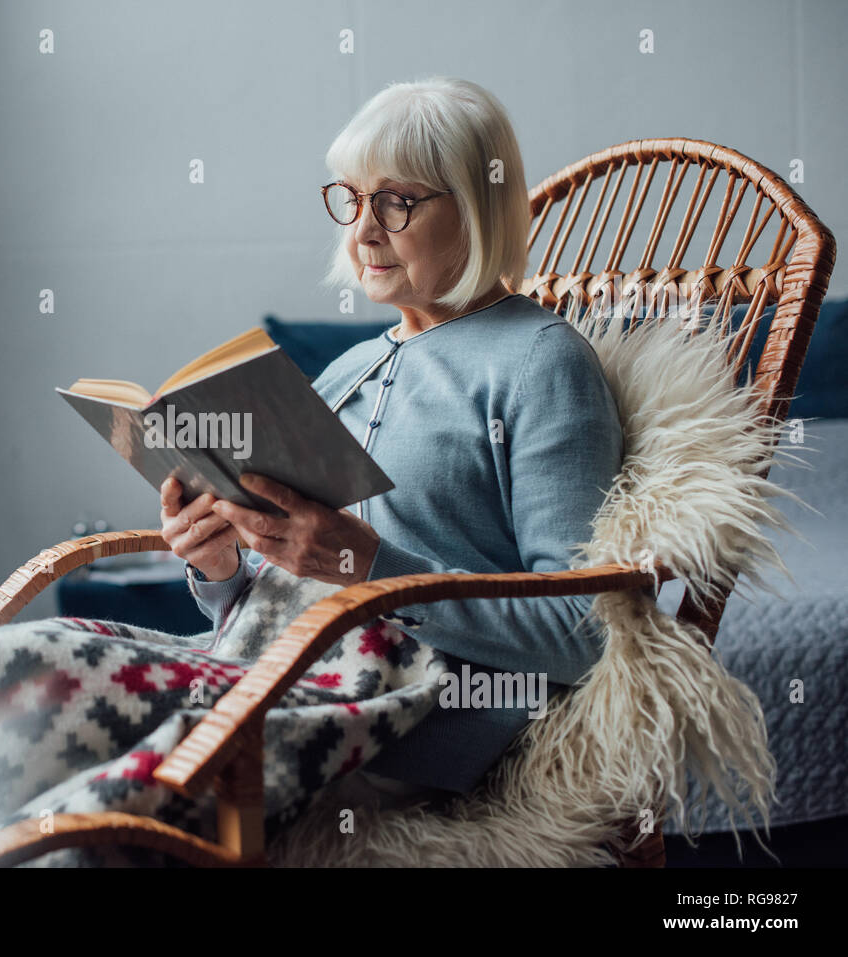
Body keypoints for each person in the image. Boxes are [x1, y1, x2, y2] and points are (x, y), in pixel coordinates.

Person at [162, 76, 623, 807]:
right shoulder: (348, 369)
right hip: (270, 674)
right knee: (6, 673)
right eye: (351, 198)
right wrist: (220, 568)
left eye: (397, 202)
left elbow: (583, 632)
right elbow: (294, 591)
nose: (363, 232)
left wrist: (366, 562)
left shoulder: (540, 361)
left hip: (405, 707)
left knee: (98, 725)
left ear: (476, 210)